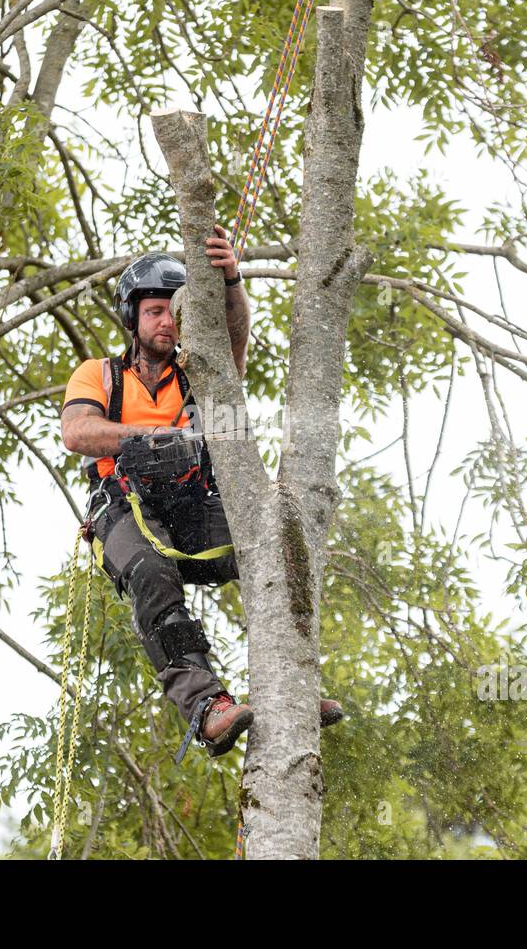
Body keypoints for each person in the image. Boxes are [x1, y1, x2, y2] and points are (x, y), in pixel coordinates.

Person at [60, 225, 343, 760]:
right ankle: (207, 707)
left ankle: (293, 690)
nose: (167, 321)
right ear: (132, 318)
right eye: (154, 311)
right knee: (152, 575)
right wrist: (151, 437)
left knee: (278, 549)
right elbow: (77, 433)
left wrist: (231, 279)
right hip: (124, 508)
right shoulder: (100, 374)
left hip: (193, 506)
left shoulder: (202, 376)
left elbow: (235, 337)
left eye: (175, 310)